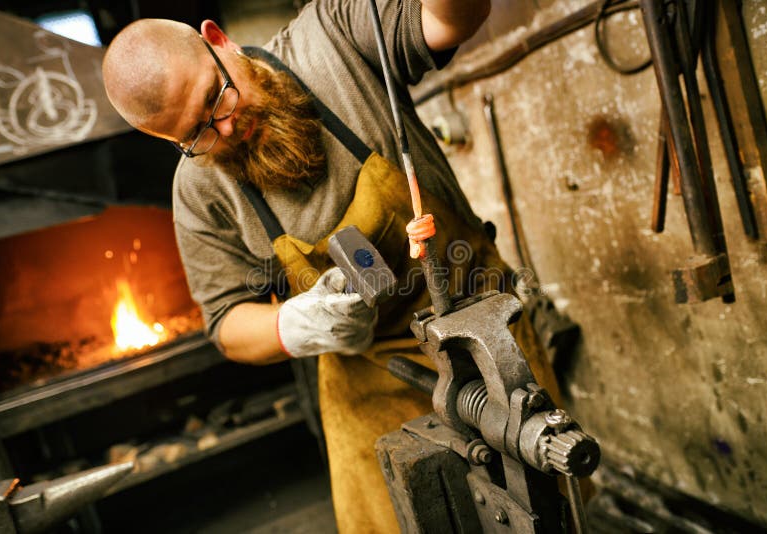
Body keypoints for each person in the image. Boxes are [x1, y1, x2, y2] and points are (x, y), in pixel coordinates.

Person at [102, 1, 561, 531]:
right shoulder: (199, 189)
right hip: (372, 380)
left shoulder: (332, 36)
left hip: (488, 341)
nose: (225, 128)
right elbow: (226, 325)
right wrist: (296, 324)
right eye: (196, 135)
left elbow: (451, 20)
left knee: (546, 509)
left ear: (218, 39)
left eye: (215, 96)